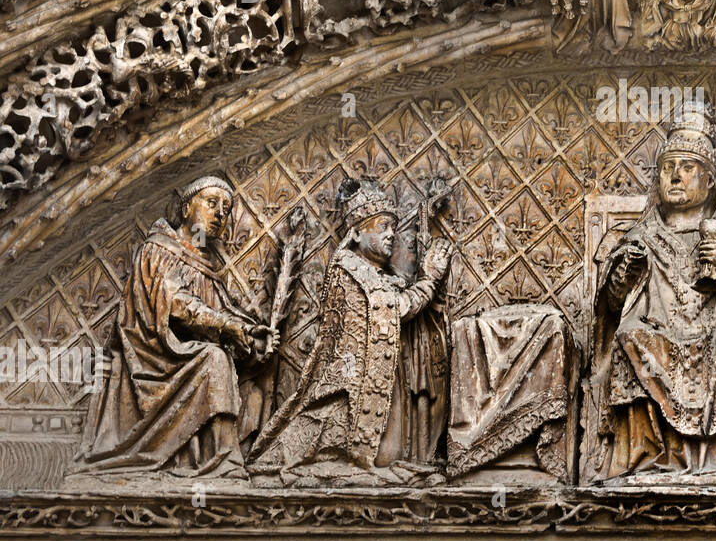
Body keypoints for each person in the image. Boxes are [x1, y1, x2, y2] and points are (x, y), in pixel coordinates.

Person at [591, 103, 716, 479]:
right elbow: (612, 308)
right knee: (631, 338)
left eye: (686, 167)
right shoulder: (642, 236)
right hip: (659, 335)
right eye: (667, 168)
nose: (675, 176)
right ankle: (648, 455)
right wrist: (622, 278)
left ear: (710, 180)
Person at [250, 179, 451, 484]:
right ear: (356, 232)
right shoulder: (349, 269)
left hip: (378, 392)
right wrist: (430, 278)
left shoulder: (374, 274)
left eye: (393, 228)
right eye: (382, 226)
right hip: (352, 397)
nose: (391, 235)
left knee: (389, 461)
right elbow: (397, 308)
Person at [75, 176, 275, 478]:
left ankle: (254, 453)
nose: (220, 213)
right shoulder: (159, 250)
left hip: (185, 355)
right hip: (154, 357)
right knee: (214, 360)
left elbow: (220, 317)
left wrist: (250, 336)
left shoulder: (206, 268)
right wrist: (228, 325)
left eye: (226, 208)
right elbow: (177, 304)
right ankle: (223, 458)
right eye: (211, 204)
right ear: (185, 208)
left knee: (257, 376)